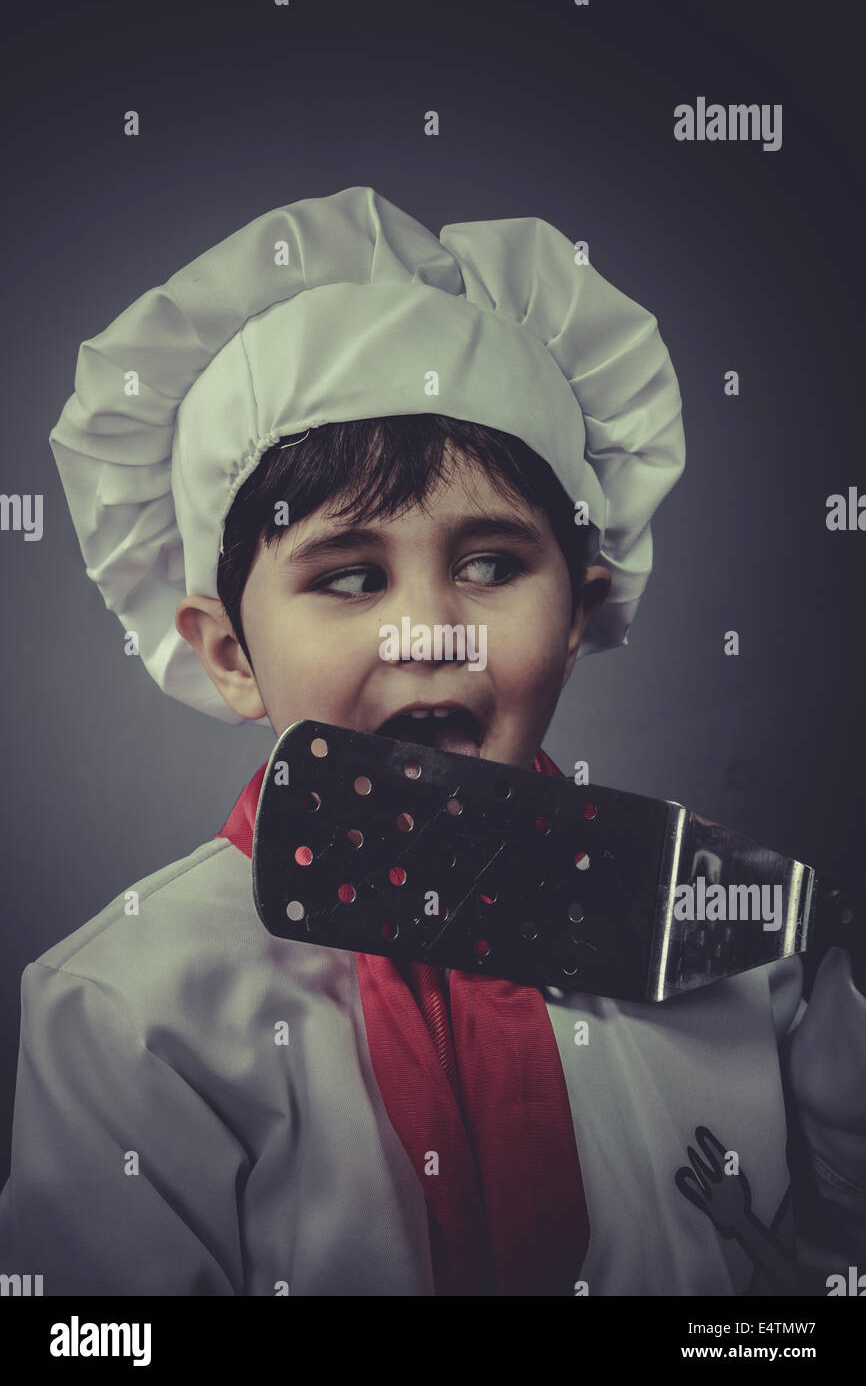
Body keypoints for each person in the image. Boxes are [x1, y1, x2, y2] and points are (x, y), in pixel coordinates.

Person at [0, 187, 863, 1296]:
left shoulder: (729, 947)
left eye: (492, 566)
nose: (428, 631)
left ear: (579, 612)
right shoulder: (129, 1014)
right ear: (227, 653)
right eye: (349, 577)